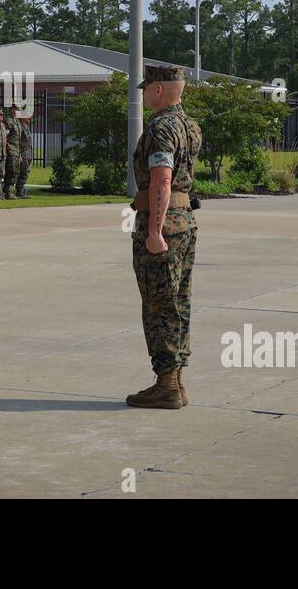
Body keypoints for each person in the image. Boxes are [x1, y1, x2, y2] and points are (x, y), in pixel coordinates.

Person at [127, 64, 202, 410]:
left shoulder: (161, 128)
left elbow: (162, 179)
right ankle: (176, 381)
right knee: (178, 301)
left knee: (159, 305)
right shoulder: (188, 125)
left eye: (146, 88)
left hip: (164, 225)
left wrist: (155, 231)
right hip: (185, 222)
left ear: (158, 89)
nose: (142, 94)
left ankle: (167, 384)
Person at [3, 105, 22, 198]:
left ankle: (10, 191)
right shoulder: (9, 121)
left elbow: (18, 139)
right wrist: (7, 149)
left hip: (17, 151)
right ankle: (7, 192)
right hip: (11, 150)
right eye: (16, 110)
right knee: (11, 171)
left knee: (16, 172)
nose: (18, 112)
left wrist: (20, 154)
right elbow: (5, 136)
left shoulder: (17, 122)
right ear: (12, 110)